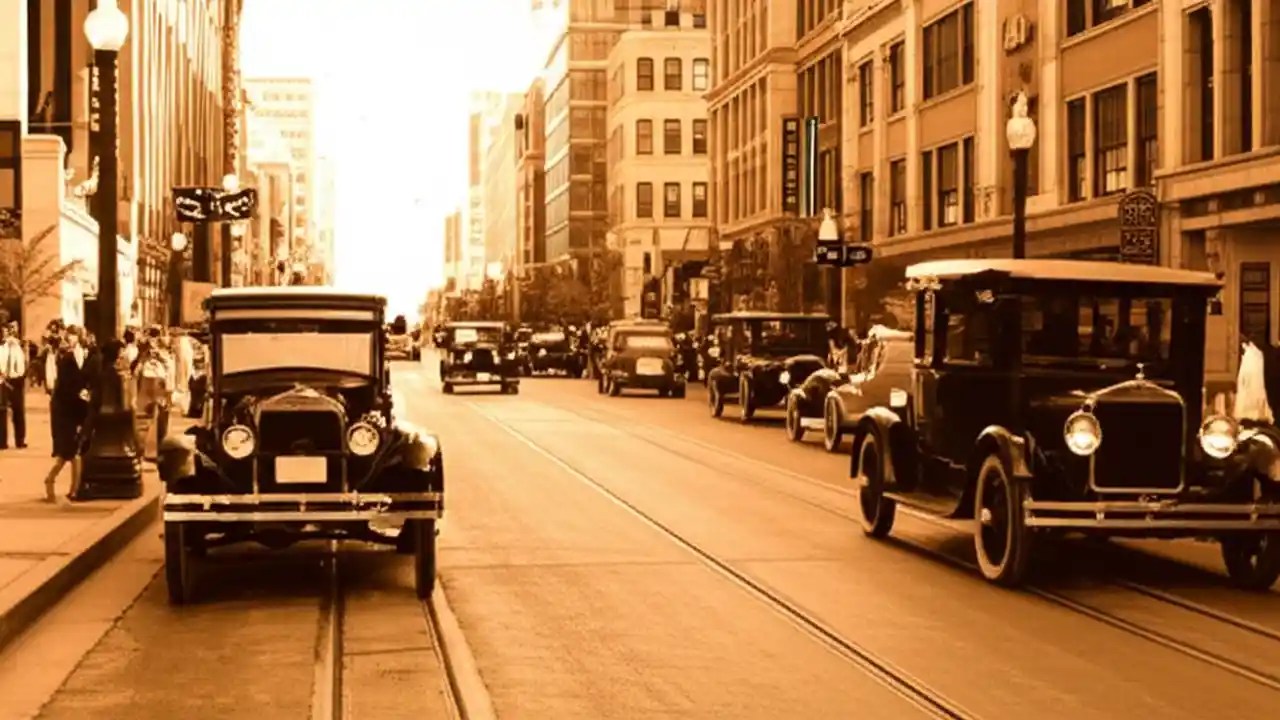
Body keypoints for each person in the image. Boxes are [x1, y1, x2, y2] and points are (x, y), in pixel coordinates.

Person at [43, 325, 93, 502]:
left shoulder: (76, 358)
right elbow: (70, 390)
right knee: (71, 454)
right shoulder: (67, 362)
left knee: (67, 455)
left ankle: (57, 483)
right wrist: (83, 404)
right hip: (68, 415)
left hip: (67, 414)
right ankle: (71, 488)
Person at [134, 327, 174, 460]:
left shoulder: (165, 353)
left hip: (158, 383)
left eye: (155, 337)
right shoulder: (144, 354)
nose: (153, 341)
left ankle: (158, 449)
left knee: (160, 417)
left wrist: (159, 356)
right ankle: (143, 450)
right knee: (144, 420)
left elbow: (169, 368)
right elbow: (136, 371)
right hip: (148, 382)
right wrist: (143, 354)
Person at [0, 322, 27, 449]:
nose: (7, 335)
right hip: (3, 380)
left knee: (18, 411)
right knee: (2, 411)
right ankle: (2, 441)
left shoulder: (17, 347)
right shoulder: (2, 348)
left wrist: (21, 376)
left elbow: (22, 364)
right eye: (5, 332)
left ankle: (20, 440)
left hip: (16, 380)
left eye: (9, 332)